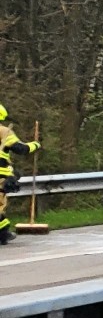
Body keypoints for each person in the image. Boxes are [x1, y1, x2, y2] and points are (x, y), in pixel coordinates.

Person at [0, 103, 42, 245]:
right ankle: (3, 233)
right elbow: (20, 149)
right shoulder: (3, 131)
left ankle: (3, 232)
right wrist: (35, 145)